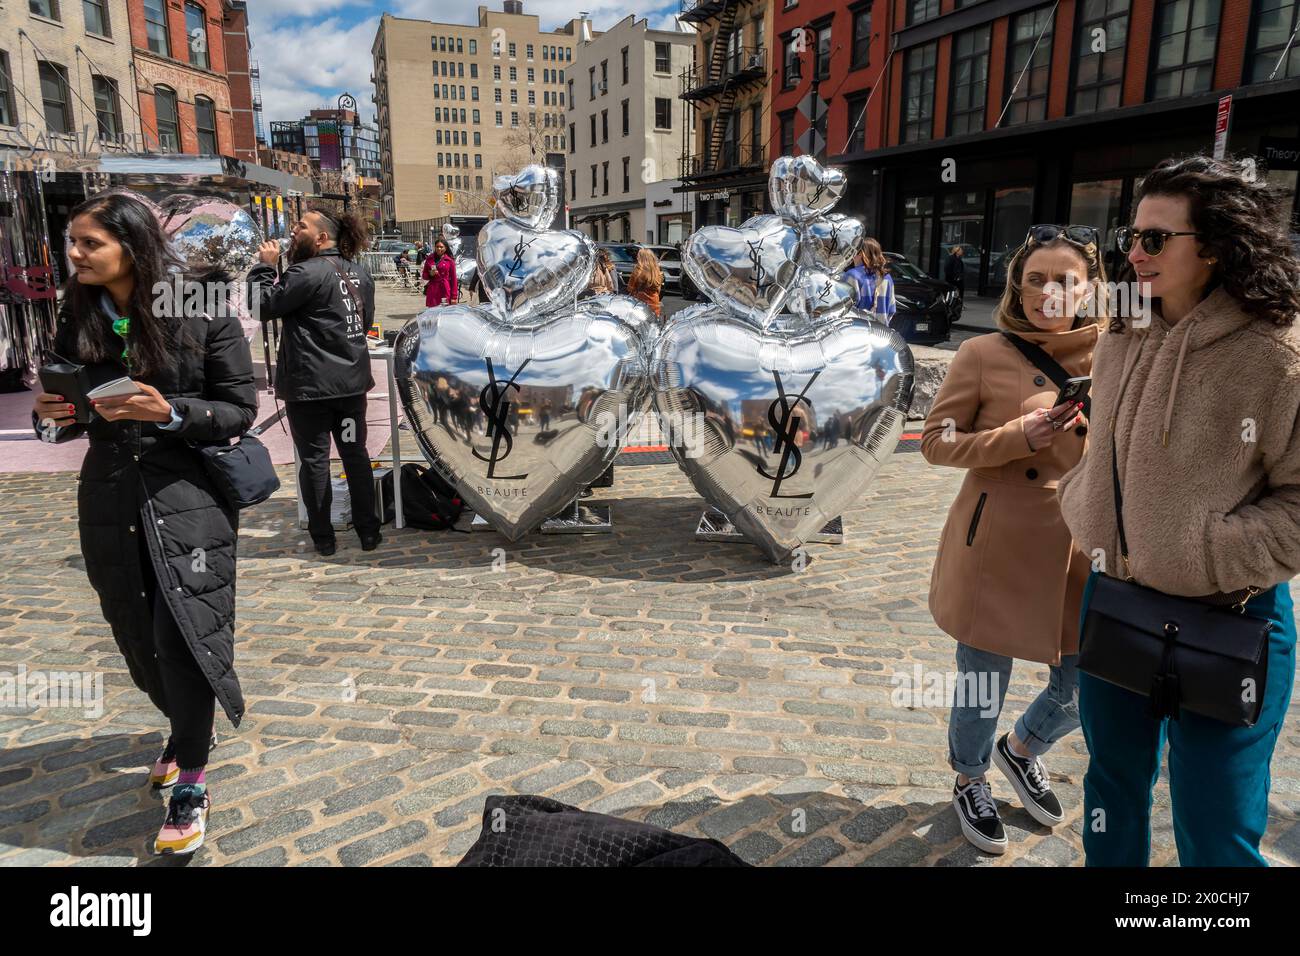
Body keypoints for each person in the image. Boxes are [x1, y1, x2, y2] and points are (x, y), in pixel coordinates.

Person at [1058, 154, 1300, 866]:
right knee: (1110, 791)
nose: (1132, 253)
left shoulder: (1277, 353)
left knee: (1215, 825)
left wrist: (1211, 550)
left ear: (1219, 246)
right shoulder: (1124, 330)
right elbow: (1107, 442)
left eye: (1156, 239)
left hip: (1232, 615)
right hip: (1117, 600)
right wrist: (1086, 502)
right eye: (1130, 236)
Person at [32, 191, 257, 855]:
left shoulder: (199, 306)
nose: (74, 254)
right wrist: (51, 417)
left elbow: (237, 409)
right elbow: (54, 422)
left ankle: (190, 775)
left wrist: (171, 413)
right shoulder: (77, 314)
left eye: (88, 243)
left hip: (188, 495)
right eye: (72, 241)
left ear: (131, 244)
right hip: (109, 496)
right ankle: (186, 728)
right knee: (134, 629)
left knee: (182, 633)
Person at [922, 223, 1106, 854]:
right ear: (1016, 287)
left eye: (1064, 280)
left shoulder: (1120, 354)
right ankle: (970, 779)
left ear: (1089, 288)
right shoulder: (982, 354)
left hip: (1084, 543)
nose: (1048, 293)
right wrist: (1014, 438)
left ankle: (1022, 747)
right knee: (982, 678)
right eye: (1035, 279)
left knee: (1083, 684)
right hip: (997, 537)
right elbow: (936, 444)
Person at [249, 207, 381, 556]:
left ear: (321, 238)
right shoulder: (360, 273)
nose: (293, 231)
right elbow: (366, 319)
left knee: (315, 461)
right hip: (351, 385)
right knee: (355, 455)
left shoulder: (305, 273)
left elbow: (260, 306)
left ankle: (324, 538)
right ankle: (369, 531)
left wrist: (264, 267)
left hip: (311, 388)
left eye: (301, 227)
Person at [845, 238, 896, 321]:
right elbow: (891, 310)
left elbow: (844, 310)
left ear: (861, 254)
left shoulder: (853, 275)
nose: (851, 257)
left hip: (857, 330)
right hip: (881, 332)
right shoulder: (887, 278)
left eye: (853, 252)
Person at [626, 247, 663, 317]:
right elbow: (659, 290)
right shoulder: (656, 271)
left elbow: (630, 288)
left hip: (640, 304)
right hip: (654, 303)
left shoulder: (637, 270)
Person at [423, 238, 458, 307]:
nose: (439, 249)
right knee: (432, 311)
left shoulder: (449, 261)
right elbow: (424, 275)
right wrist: (430, 274)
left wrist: (454, 297)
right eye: (437, 247)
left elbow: (454, 279)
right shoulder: (429, 259)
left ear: (445, 248)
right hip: (433, 289)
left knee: (444, 312)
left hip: (444, 289)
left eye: (441, 247)